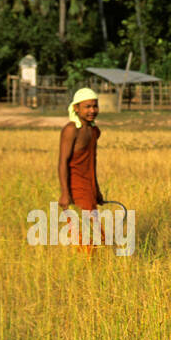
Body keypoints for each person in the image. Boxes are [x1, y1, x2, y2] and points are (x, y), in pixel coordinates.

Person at [58, 88, 105, 256]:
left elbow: (92, 162)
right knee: (86, 238)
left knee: (98, 236)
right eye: (87, 107)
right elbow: (62, 162)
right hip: (76, 190)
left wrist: (97, 191)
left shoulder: (94, 131)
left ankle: (95, 271)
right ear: (76, 108)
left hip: (89, 189)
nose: (92, 110)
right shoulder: (71, 130)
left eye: (95, 106)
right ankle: (85, 271)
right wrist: (65, 193)